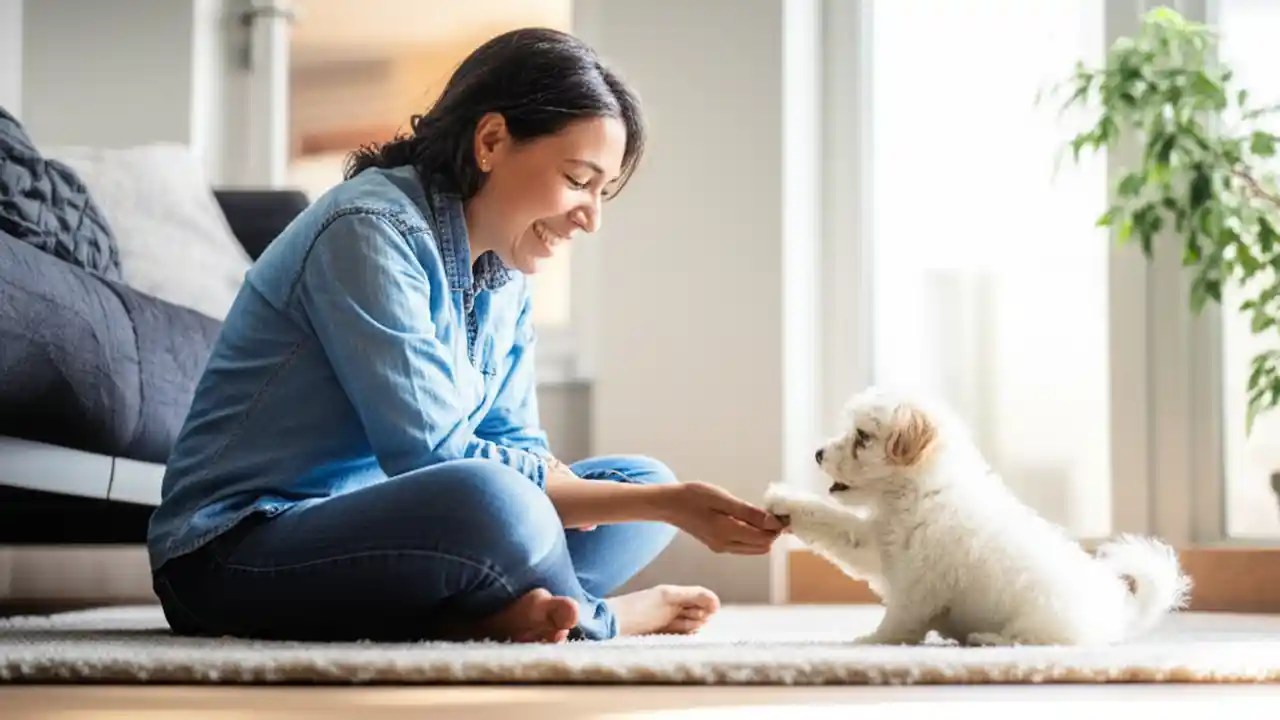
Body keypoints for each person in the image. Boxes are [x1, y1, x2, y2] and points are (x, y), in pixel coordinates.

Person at [146, 27, 785, 644]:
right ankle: (600, 617)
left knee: (635, 477)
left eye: (603, 193)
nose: (590, 218)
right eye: (578, 180)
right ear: (491, 140)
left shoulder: (506, 271)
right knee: (502, 500)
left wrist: (651, 495)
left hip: (400, 533)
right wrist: (668, 504)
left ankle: (481, 620)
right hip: (230, 553)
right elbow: (436, 457)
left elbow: (516, 442)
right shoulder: (367, 232)